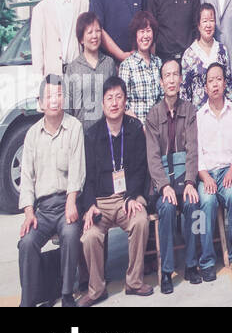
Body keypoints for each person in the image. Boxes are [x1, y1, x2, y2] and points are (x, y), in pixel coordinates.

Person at [78, 76, 153, 304]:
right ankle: (96, 289)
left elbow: (141, 169)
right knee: (90, 235)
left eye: (118, 97)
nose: (114, 103)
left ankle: (134, 282)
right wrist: (90, 205)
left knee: (140, 220)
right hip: (101, 201)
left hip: (126, 197)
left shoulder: (134, 128)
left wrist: (131, 196)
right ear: (102, 104)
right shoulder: (91, 135)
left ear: (125, 101)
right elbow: (87, 178)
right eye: (109, 98)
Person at [17, 75, 84, 307]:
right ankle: (28, 300)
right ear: (40, 102)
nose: (54, 100)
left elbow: (78, 169)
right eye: (49, 96)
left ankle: (66, 294)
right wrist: (28, 212)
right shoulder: (32, 135)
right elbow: (26, 178)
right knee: (27, 241)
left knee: (70, 233)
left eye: (58, 95)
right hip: (42, 210)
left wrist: (72, 200)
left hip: (67, 201)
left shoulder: (74, 127)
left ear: (64, 99)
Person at [144, 58, 200, 293]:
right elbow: (153, 157)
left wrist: (189, 181)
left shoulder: (189, 110)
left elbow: (193, 149)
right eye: (167, 75)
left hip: (184, 178)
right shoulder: (153, 114)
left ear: (180, 79)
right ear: (161, 81)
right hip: (164, 182)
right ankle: (166, 271)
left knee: (194, 205)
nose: (171, 79)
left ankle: (191, 263)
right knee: (166, 208)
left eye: (175, 74)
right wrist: (164, 185)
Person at [195, 62, 232, 278]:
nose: (215, 84)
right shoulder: (199, 116)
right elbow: (195, 152)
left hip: (228, 170)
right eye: (210, 81)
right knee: (203, 205)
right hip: (206, 174)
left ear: (225, 83)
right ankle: (206, 261)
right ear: (205, 87)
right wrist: (205, 176)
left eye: (219, 79)